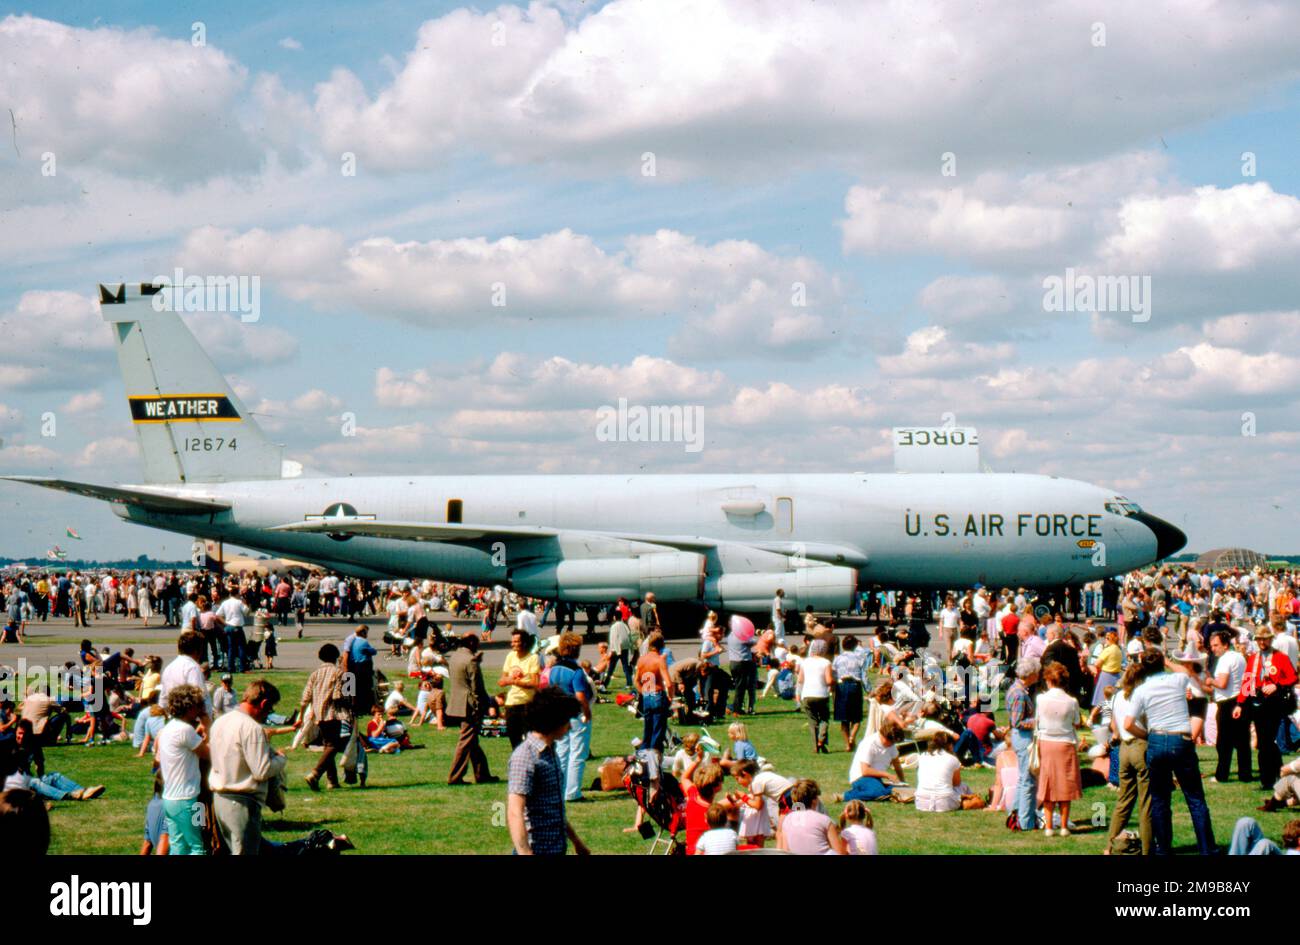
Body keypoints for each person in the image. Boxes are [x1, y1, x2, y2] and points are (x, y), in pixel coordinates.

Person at [1124, 649, 1216, 856]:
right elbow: (1185, 669)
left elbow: (1128, 723)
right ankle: (1207, 848)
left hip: (1157, 739)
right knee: (1195, 798)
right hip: (1180, 738)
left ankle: (1163, 849)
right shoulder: (1177, 680)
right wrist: (1166, 660)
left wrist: (1147, 735)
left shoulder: (1142, 690)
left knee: (1159, 799)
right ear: (1162, 664)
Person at [506, 687, 590, 855]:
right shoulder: (525, 757)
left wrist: (576, 842)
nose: (569, 727)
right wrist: (525, 853)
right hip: (537, 849)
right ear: (554, 721)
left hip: (556, 848)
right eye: (567, 721)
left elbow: (553, 807)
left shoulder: (550, 752)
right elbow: (515, 811)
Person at [208, 679, 288, 855]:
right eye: (269, 709)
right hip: (242, 801)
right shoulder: (252, 728)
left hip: (220, 798)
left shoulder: (220, 722)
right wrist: (281, 760)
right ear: (264, 703)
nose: (268, 714)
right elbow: (262, 771)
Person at [1237, 625, 1297, 790]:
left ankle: (1268, 779)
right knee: (1265, 741)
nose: (1262, 642)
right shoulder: (1253, 658)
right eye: (1259, 639)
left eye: (1264, 639)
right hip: (1257, 703)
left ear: (1270, 639)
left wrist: (1276, 685)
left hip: (1274, 704)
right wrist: (1240, 704)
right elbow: (1247, 681)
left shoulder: (1280, 657)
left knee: (1266, 741)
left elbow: (1292, 677)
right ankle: (1279, 774)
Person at [155, 683, 209, 855]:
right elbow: (209, 754)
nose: (201, 709)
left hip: (171, 799)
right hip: (188, 800)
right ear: (190, 707)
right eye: (199, 705)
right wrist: (207, 723)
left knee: (178, 845)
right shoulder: (185, 730)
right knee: (197, 847)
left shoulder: (168, 728)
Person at [1105, 663, 1152, 854]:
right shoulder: (1142, 697)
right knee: (1146, 803)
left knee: (1124, 800)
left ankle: (1110, 846)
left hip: (1124, 748)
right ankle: (1148, 849)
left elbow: (1113, 725)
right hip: (1141, 746)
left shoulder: (1116, 697)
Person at [1035, 662, 1083, 835]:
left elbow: (1037, 720)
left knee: (1047, 784)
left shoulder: (1041, 699)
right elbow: (1077, 723)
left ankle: (1048, 827)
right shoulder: (1072, 701)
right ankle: (1063, 826)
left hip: (1046, 742)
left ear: (1049, 679)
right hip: (1065, 743)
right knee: (1066, 784)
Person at [298, 643, 353, 791]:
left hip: (318, 715)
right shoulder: (338, 673)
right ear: (336, 657)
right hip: (333, 714)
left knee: (328, 746)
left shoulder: (315, 674)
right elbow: (338, 695)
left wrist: (301, 716)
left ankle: (332, 781)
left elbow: (305, 697)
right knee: (335, 746)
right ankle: (315, 774)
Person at [444, 634, 497, 786]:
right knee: (466, 741)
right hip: (470, 706)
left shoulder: (454, 657)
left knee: (472, 741)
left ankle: (482, 774)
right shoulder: (471, 660)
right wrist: (485, 704)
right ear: (472, 643)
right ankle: (455, 776)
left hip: (456, 704)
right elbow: (476, 687)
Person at [548, 632, 594, 801]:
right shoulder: (576, 671)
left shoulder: (554, 668)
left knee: (561, 752)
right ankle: (573, 792)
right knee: (578, 753)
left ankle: (560, 788)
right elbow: (580, 695)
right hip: (575, 714)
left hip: (560, 713)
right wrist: (587, 712)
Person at [1206, 628, 1250, 782]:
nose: (1213, 649)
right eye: (1212, 646)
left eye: (1216, 645)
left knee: (1224, 742)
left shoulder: (1224, 660)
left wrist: (1210, 680)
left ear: (1225, 645)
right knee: (1243, 742)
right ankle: (1245, 774)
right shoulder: (1240, 657)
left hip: (1227, 703)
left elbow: (1222, 683)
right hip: (1241, 700)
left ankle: (1222, 774)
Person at [1007, 657, 1040, 830]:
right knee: (1028, 780)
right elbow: (1017, 721)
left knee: (1022, 778)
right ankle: (1026, 821)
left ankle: (1015, 813)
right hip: (1023, 736)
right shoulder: (1020, 694)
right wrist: (1037, 722)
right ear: (1031, 674)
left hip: (1019, 737)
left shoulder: (1017, 689)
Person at [844, 718, 907, 802]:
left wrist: (902, 782)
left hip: (876, 779)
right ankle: (847, 796)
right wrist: (887, 775)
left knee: (903, 790)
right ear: (885, 736)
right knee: (878, 793)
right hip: (861, 777)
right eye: (891, 742)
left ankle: (886, 791)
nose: (892, 745)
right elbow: (865, 770)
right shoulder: (869, 743)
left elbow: (897, 764)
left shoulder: (891, 745)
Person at [777, 779, 845, 854]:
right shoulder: (824, 820)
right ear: (815, 800)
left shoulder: (787, 820)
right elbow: (840, 852)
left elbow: (785, 851)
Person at [498, 629, 540, 747]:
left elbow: (535, 683)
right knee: (514, 739)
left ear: (525, 642)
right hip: (511, 703)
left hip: (527, 703)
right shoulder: (510, 656)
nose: (513, 644)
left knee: (530, 740)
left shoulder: (533, 658)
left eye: (516, 641)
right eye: (512, 641)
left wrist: (515, 681)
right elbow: (501, 681)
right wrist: (509, 679)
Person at [635, 633, 674, 758]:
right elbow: (668, 683)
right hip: (657, 694)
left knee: (648, 730)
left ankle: (643, 756)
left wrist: (643, 692)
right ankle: (653, 759)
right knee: (658, 732)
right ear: (661, 645)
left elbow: (636, 680)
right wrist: (671, 697)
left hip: (647, 695)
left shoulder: (642, 659)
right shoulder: (659, 660)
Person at [914, 731, 966, 812]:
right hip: (944, 802)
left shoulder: (923, 756)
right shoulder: (952, 759)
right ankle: (971, 798)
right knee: (963, 786)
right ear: (950, 745)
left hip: (921, 802)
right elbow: (956, 783)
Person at [798, 638, 834, 753]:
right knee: (824, 719)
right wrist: (835, 681)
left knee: (812, 721)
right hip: (821, 694)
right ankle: (821, 739)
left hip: (807, 694)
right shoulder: (826, 662)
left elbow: (800, 679)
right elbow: (828, 681)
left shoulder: (805, 662)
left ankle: (815, 746)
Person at [832, 635, 867, 750]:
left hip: (842, 686)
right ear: (855, 645)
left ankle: (847, 744)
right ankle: (852, 736)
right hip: (855, 686)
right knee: (856, 717)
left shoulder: (838, 658)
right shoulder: (859, 658)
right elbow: (864, 676)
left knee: (844, 718)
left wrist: (833, 687)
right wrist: (868, 690)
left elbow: (834, 673)